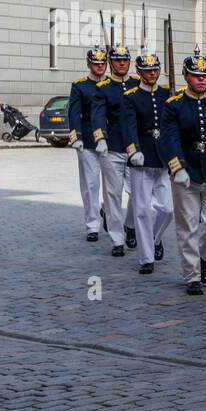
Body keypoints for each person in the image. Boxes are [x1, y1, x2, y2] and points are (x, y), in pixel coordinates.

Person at [161, 50, 206, 295]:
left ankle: (203, 254)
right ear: (185, 76)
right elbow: (169, 137)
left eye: (205, 76)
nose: (201, 80)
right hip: (186, 168)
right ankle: (192, 275)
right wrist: (176, 166)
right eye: (195, 76)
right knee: (187, 225)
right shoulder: (174, 104)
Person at [123, 51, 174, 274]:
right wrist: (133, 151)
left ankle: (154, 238)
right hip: (142, 157)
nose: (152, 73)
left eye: (155, 69)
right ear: (139, 72)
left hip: (162, 157)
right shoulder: (131, 96)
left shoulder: (166, 94)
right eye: (147, 70)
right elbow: (128, 126)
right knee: (142, 210)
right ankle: (146, 258)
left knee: (169, 209)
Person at [98, 44, 137, 257]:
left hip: (135, 148)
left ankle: (131, 224)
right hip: (113, 145)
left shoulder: (137, 84)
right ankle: (117, 238)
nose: (122, 63)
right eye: (117, 60)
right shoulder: (103, 87)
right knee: (112, 194)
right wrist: (100, 137)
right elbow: (97, 113)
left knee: (137, 193)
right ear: (111, 62)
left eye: (125, 60)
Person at [68, 48, 110, 241]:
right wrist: (76, 137)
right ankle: (92, 225)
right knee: (90, 185)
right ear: (88, 64)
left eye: (102, 63)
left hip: (112, 142)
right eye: (96, 63)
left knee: (114, 186)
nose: (100, 66)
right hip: (88, 141)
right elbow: (74, 113)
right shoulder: (80, 86)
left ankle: (107, 212)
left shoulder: (112, 84)